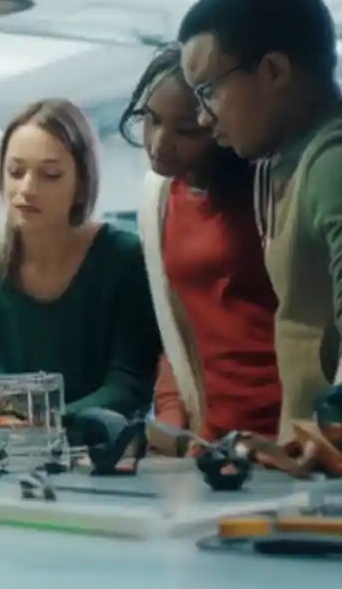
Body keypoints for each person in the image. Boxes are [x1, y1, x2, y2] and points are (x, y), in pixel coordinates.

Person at [178, 0, 342, 467]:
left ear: (274, 71)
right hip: (335, 470)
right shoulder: (289, 155)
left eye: (208, 91)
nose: (203, 117)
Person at [0, 99, 160, 421]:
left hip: (105, 453)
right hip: (11, 451)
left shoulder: (125, 259)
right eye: (15, 172)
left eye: (51, 175)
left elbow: (129, 388)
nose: (27, 189)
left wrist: (37, 420)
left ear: (82, 184)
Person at [118, 45, 280, 453]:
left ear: (217, 122)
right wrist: (174, 417)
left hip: (287, 428)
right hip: (210, 436)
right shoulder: (157, 198)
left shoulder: (266, 189)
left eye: (186, 130)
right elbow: (177, 324)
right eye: (152, 120)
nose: (159, 143)